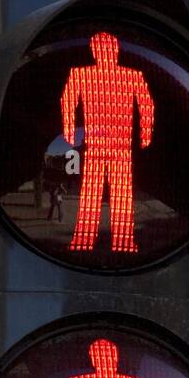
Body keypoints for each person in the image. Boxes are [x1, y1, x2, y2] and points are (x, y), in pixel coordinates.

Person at [61, 31, 154, 253]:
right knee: (93, 195)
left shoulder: (133, 76)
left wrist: (146, 134)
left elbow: (146, 105)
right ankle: (86, 240)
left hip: (118, 146)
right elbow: (68, 101)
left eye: (108, 48)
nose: (105, 53)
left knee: (118, 195)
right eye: (100, 48)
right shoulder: (80, 74)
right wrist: (69, 129)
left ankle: (121, 241)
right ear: (94, 52)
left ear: (115, 50)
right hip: (97, 145)